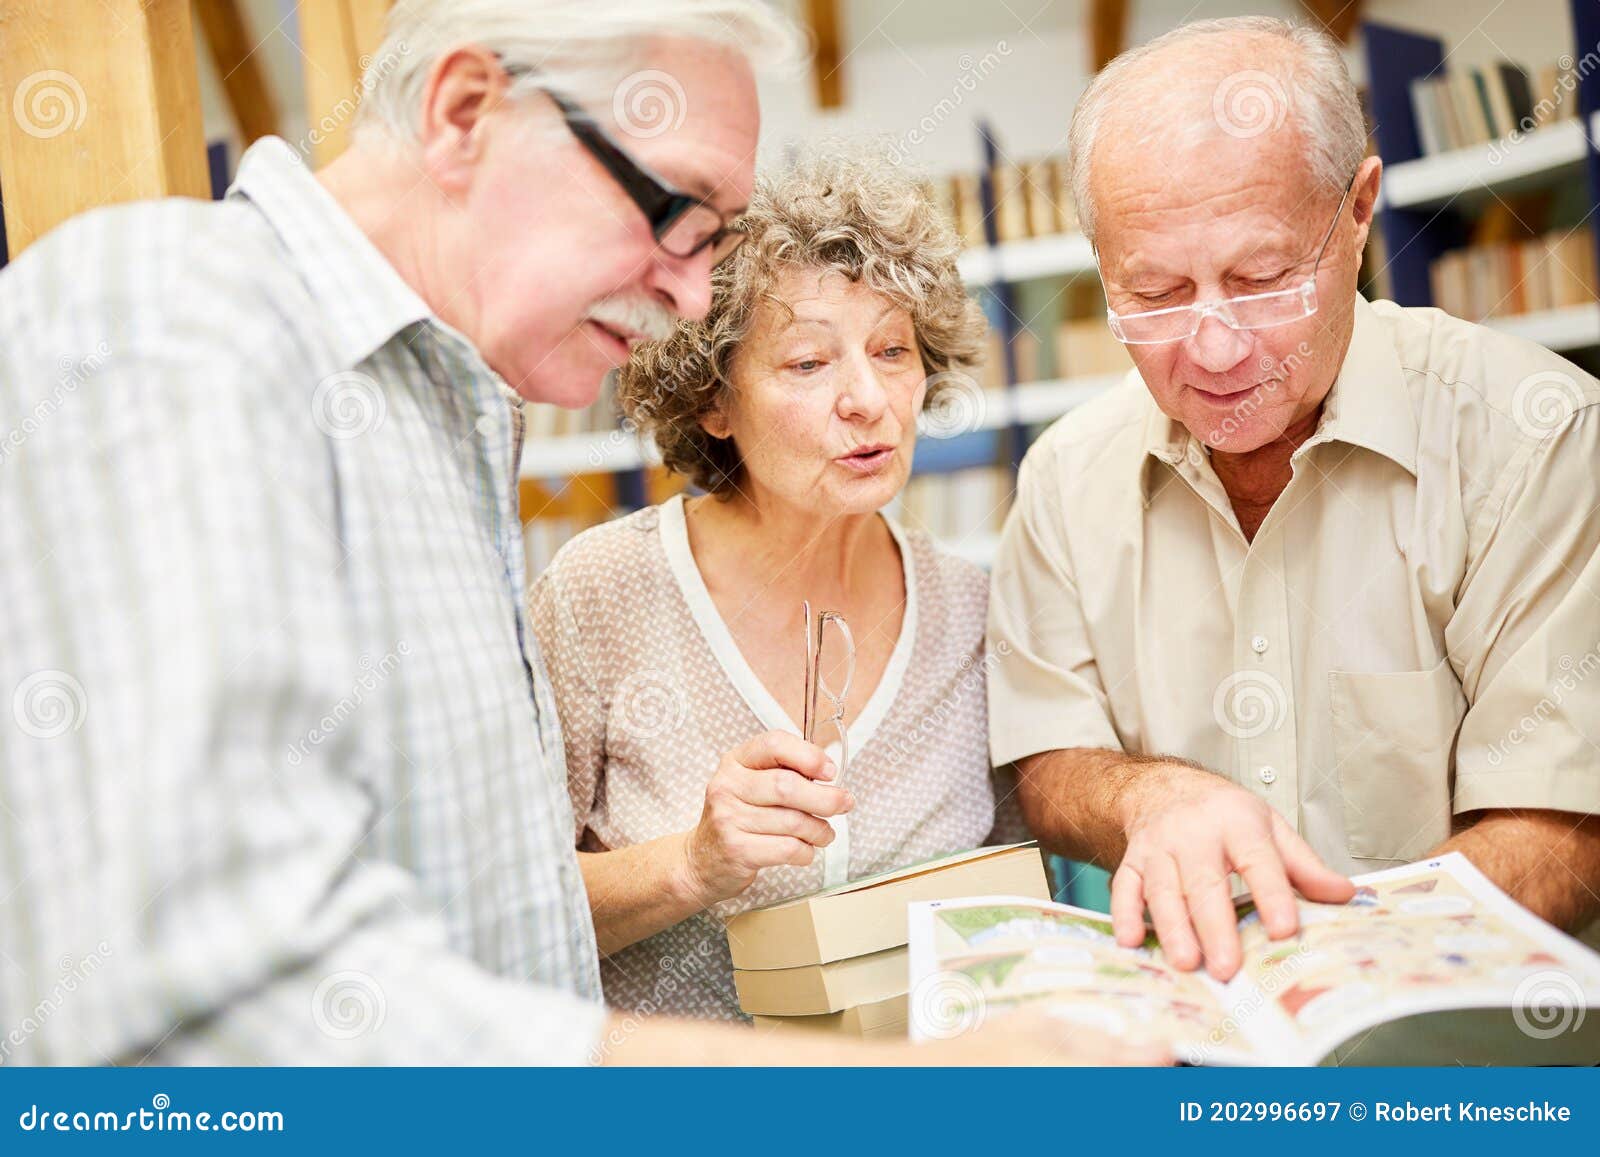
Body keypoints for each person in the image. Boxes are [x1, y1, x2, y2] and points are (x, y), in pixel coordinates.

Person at [0, 0, 1150, 1066]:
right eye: (676, 213)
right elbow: (219, 994)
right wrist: (903, 1089)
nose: (692, 298)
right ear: (465, 111)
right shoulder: (171, 322)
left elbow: (497, 935)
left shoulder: (444, 420)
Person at [988, 15, 1600, 984]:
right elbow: (1050, 759)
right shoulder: (1065, 477)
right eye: (1154, 293)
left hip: (1476, 1038)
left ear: (1359, 210)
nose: (1214, 348)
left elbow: (1562, 827)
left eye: (1262, 278)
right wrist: (1149, 796)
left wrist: (1319, 976)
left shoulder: (1536, 437)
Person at [529, 148, 1027, 1020]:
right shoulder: (598, 592)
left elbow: (1017, 915)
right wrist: (692, 865)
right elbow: (504, 910)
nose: (868, 398)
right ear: (713, 402)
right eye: (808, 364)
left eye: (893, 350)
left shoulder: (969, 609)